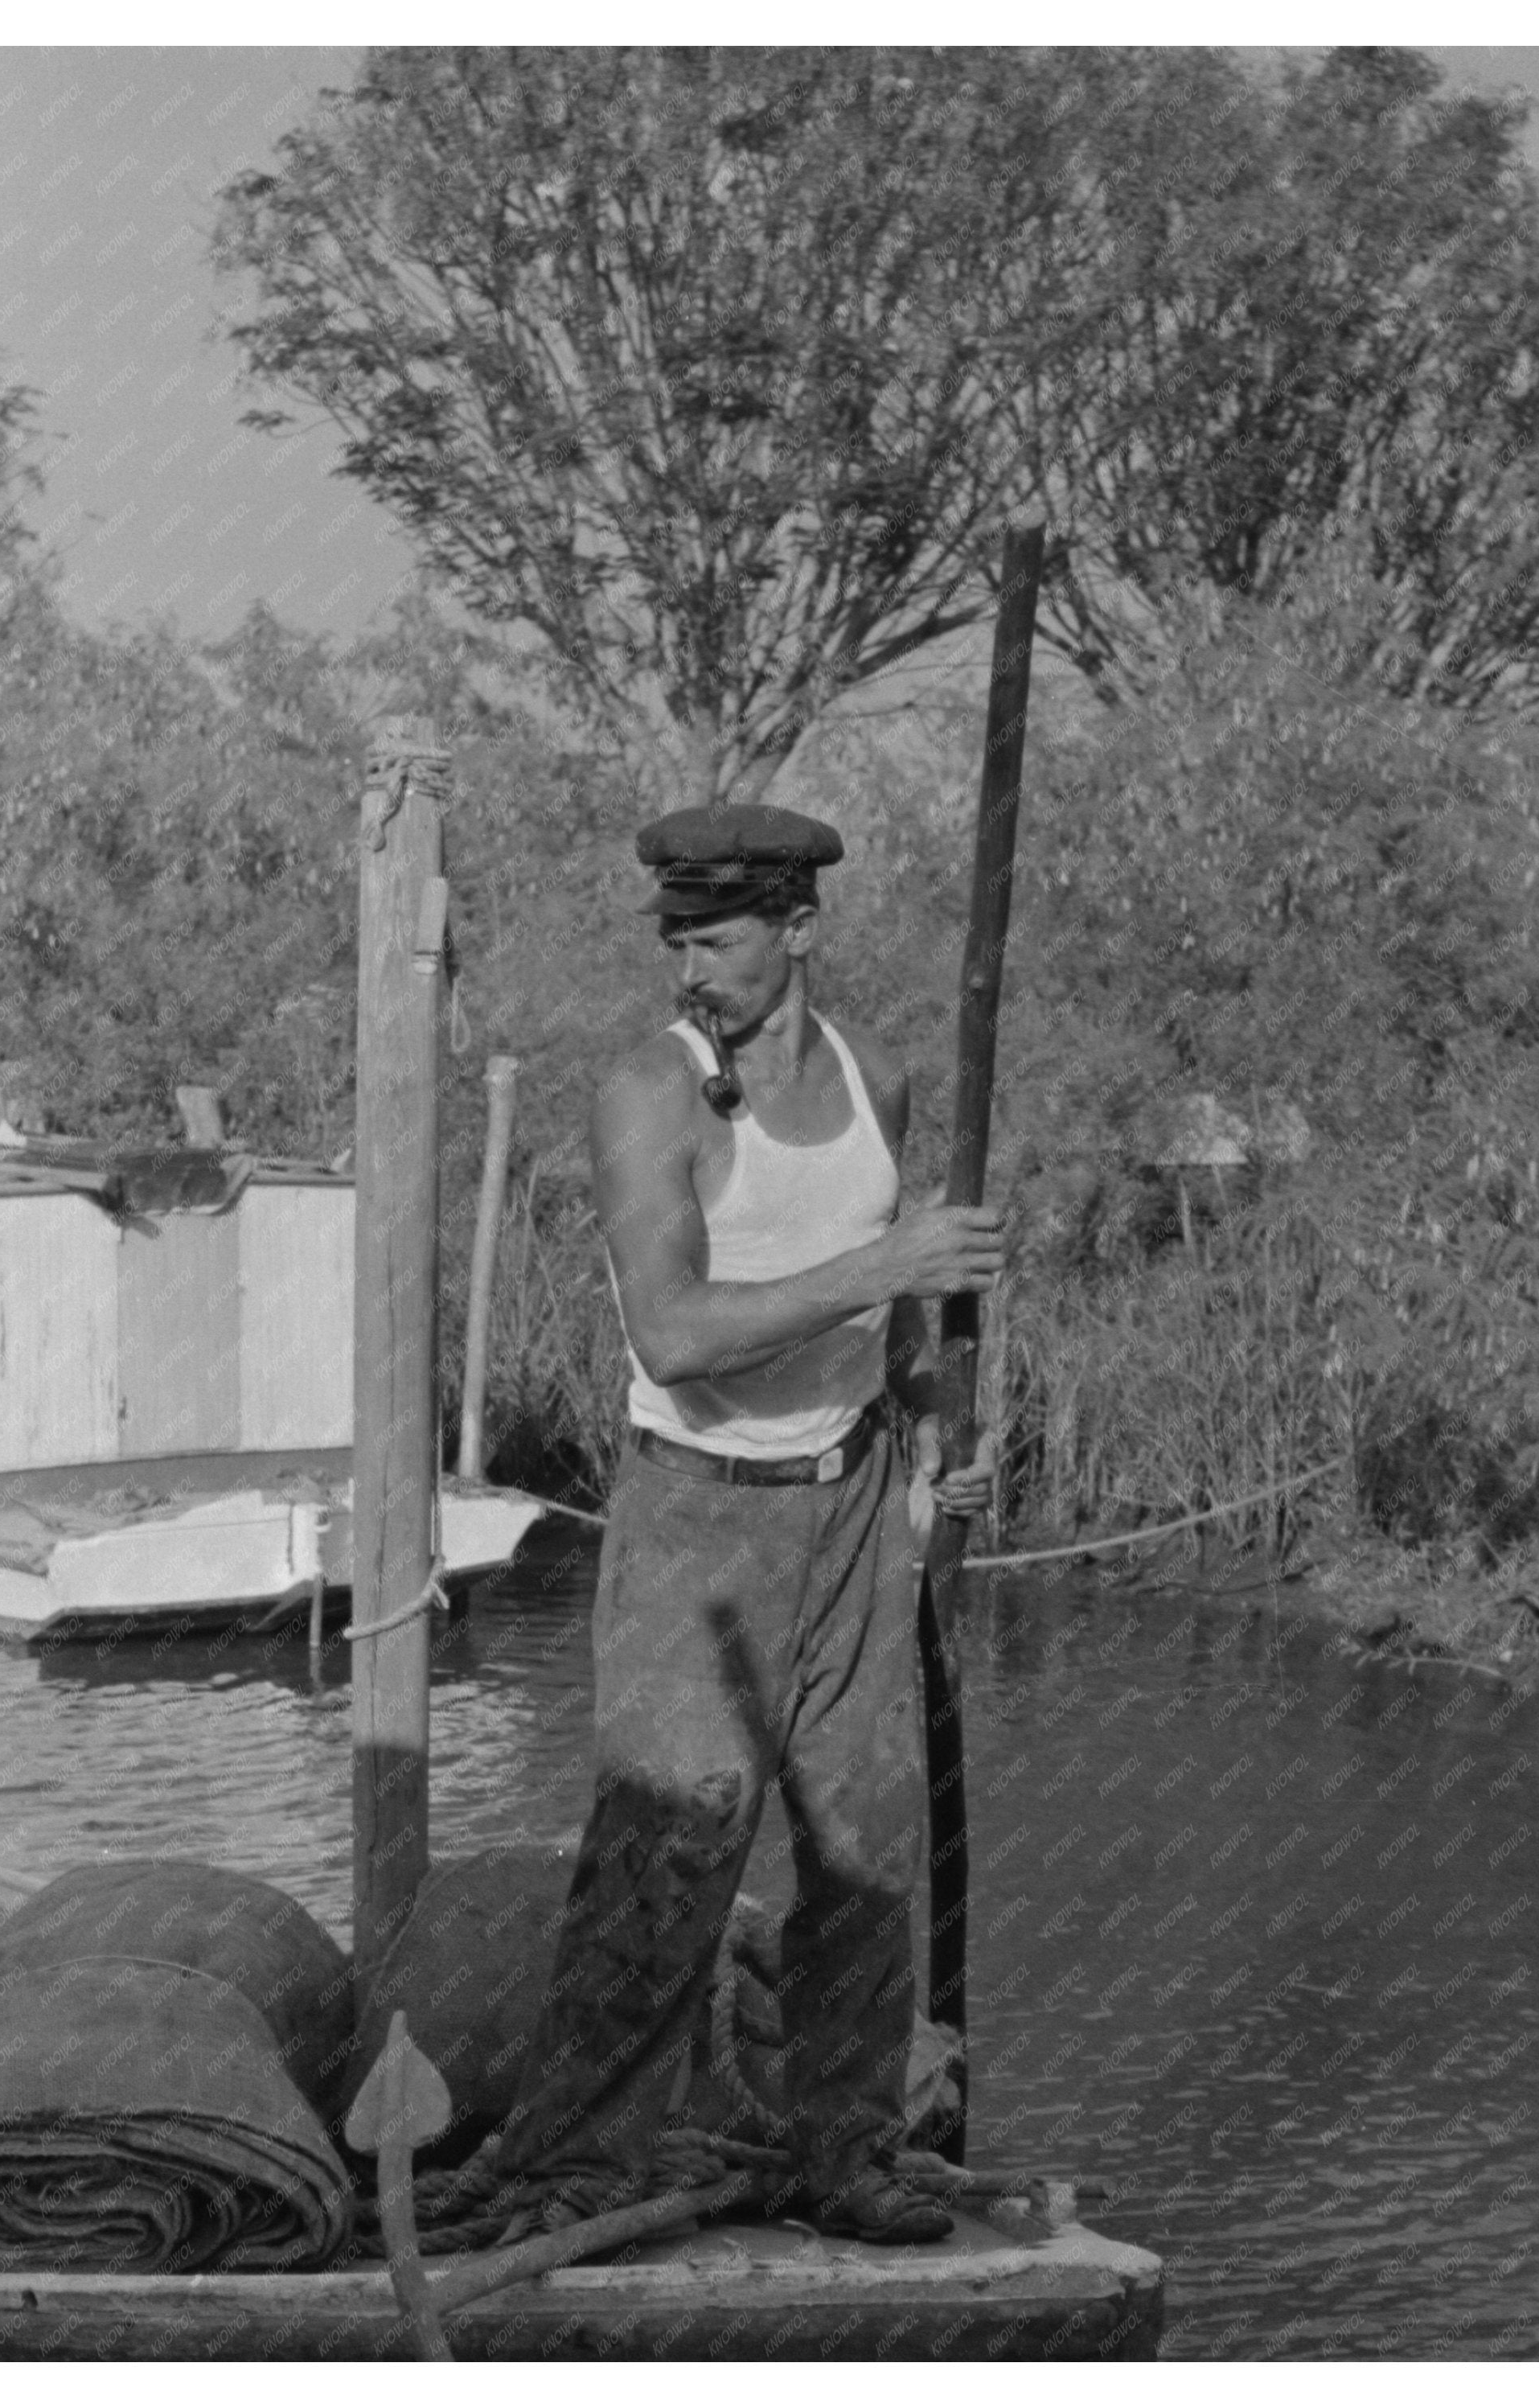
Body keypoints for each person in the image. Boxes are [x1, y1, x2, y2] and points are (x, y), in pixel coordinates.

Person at [489, 803, 1005, 2246]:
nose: (691, 970)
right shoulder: (646, 1091)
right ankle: (576, 2165)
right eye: (677, 941)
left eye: (717, 940)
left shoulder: (876, 1081)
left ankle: (844, 2151)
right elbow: (673, 1336)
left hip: (849, 1514)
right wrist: (884, 1259)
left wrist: (930, 1418)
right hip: (691, 1520)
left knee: (864, 1846)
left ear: (798, 928)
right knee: (670, 1844)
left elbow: (890, 1339)